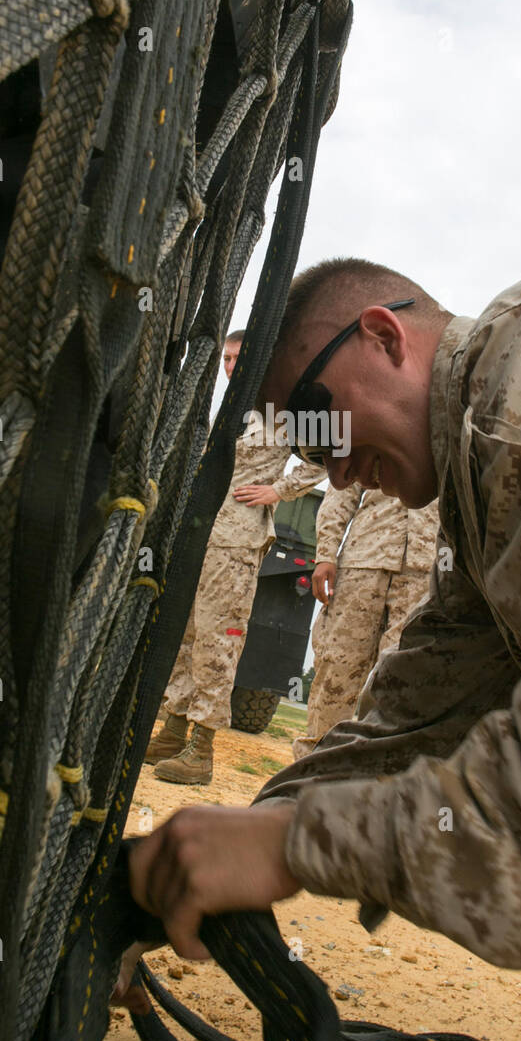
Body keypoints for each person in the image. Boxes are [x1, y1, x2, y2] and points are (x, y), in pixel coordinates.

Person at [125, 251, 521, 1041]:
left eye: (316, 419)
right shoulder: (486, 468)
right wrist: (206, 864)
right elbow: (423, 707)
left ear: (382, 337)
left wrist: (299, 844)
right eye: (303, 443)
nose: (329, 466)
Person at [145, 330, 324, 785]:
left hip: (237, 538)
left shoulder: (283, 411)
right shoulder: (228, 409)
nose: (229, 367)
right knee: (187, 632)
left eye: (238, 358)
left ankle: (201, 749)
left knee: (219, 636)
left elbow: (329, 451)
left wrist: (279, 490)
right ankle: (174, 728)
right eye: (225, 359)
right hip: (200, 531)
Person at [293, 483, 436, 759]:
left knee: (402, 681)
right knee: (335, 670)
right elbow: (342, 489)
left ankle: (372, 779)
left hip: (425, 572)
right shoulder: (365, 437)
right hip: (364, 559)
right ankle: (311, 770)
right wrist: (325, 554)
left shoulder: (458, 438)